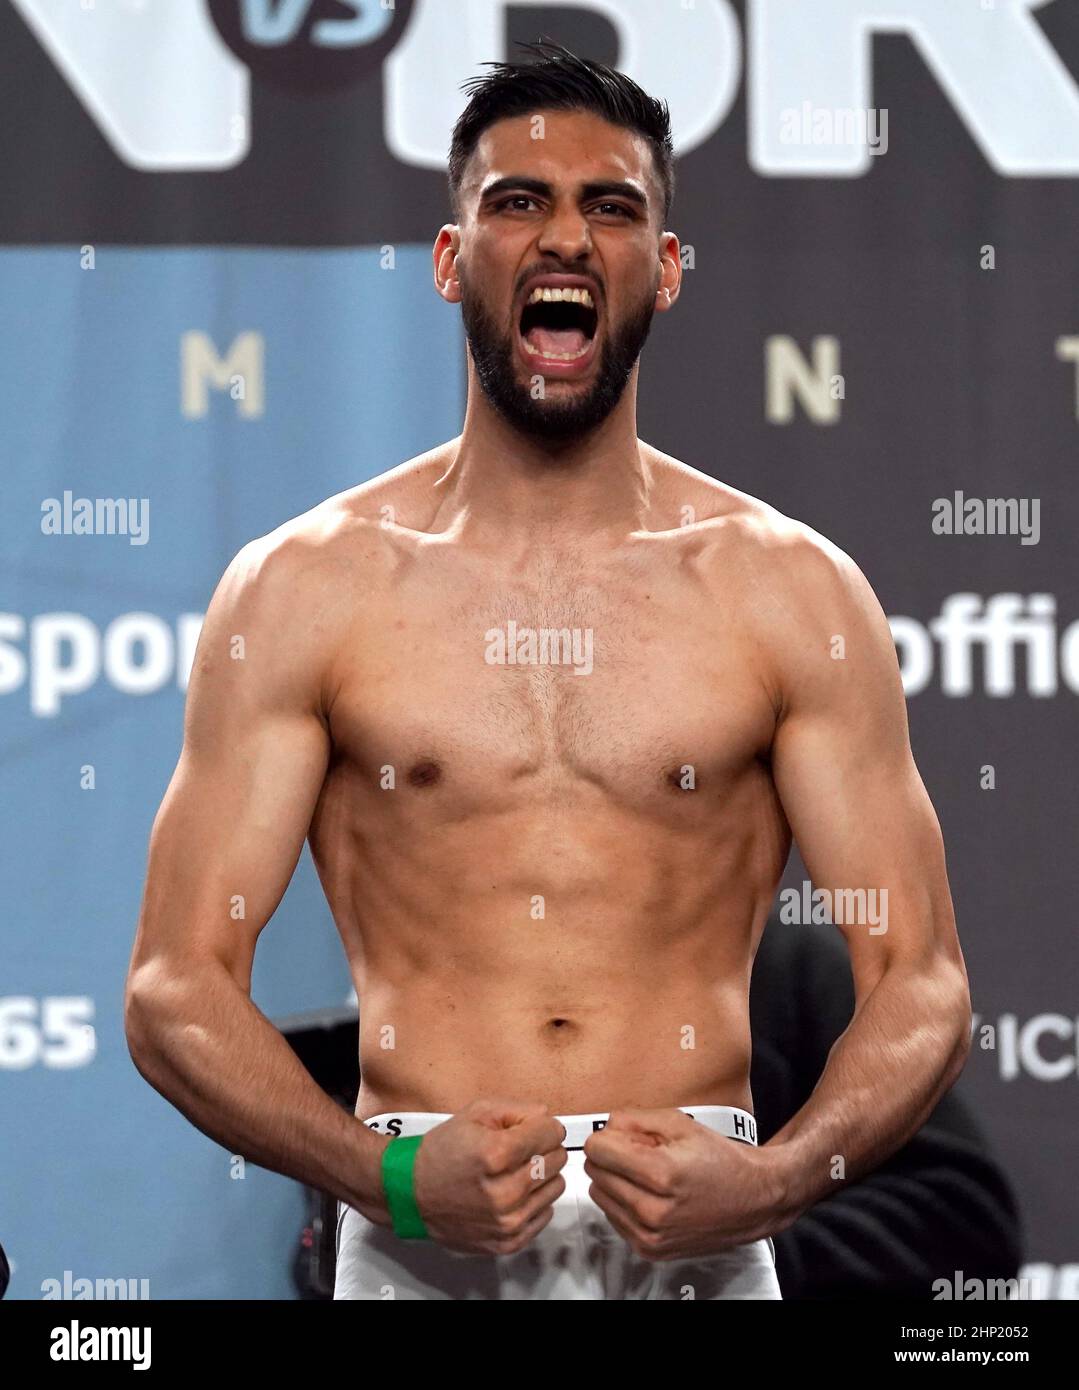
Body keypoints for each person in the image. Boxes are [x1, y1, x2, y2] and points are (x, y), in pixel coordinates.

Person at [124, 41, 971, 1301]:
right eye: (518, 200)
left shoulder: (789, 591)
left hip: (701, 1241)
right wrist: (388, 1177)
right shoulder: (307, 587)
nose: (565, 236)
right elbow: (172, 989)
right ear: (452, 260)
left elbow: (922, 985)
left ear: (667, 271)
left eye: (611, 207)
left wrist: (783, 1178)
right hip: (419, 1239)